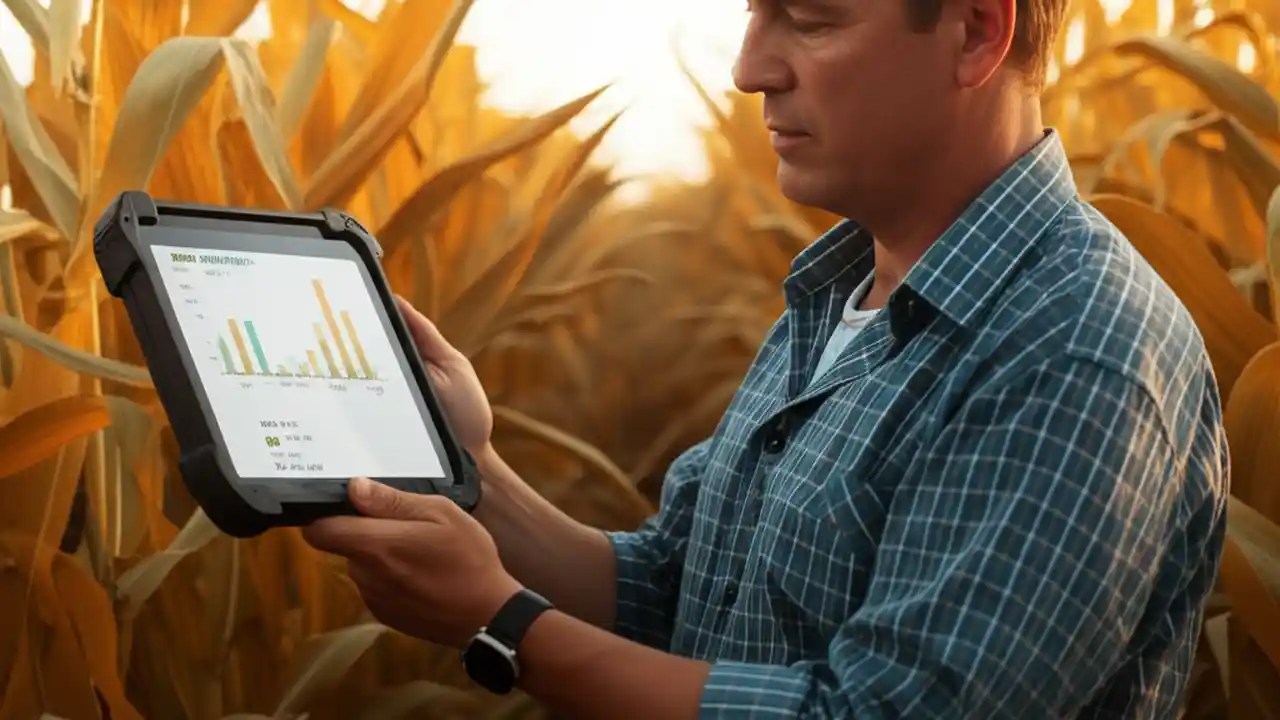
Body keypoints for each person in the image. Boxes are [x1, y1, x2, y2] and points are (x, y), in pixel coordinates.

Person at [301, 0, 1230, 716]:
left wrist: (502, 622)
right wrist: (473, 468)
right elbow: (673, 592)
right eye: (751, 12)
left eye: (812, 19)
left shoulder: (1076, 346)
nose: (749, 69)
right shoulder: (841, 292)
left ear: (977, 32)